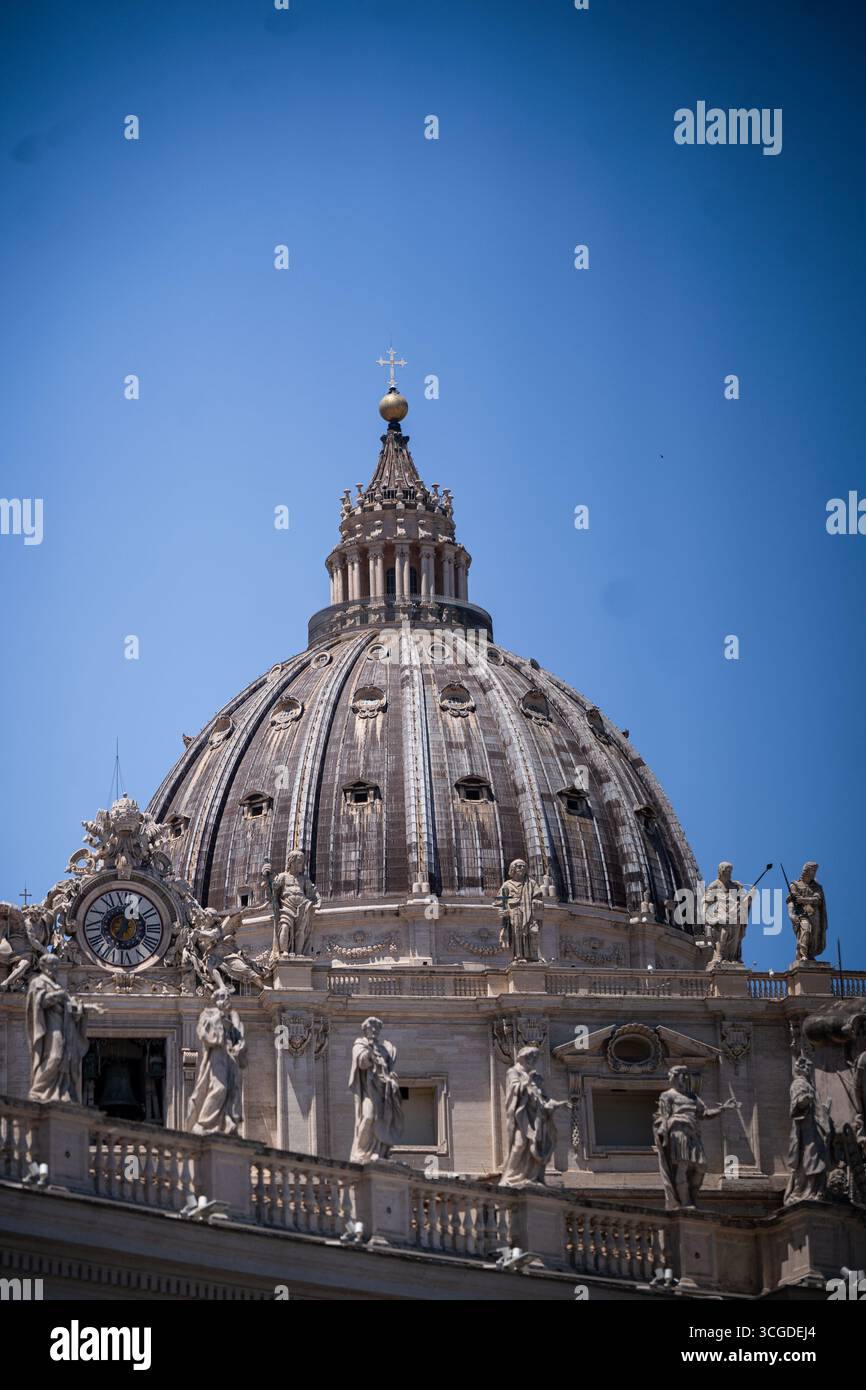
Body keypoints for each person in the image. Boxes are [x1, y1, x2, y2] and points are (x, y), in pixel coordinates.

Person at [653, 1065, 738, 1209]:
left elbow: (704, 1114)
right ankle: (686, 1202)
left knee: (701, 1166)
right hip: (678, 1133)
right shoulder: (667, 1095)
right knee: (682, 1167)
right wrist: (663, 1134)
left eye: (681, 1075)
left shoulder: (692, 1096)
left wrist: (723, 1108)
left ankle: (692, 1196)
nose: (675, 1078)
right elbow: (664, 1116)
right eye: (675, 1075)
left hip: (693, 1134)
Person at [499, 1046, 569, 1187]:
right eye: (531, 1057)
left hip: (537, 1119)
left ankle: (532, 1177)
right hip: (522, 1117)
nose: (533, 1060)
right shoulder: (513, 1072)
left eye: (535, 1058)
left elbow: (544, 1098)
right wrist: (526, 1082)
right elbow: (513, 1089)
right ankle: (509, 1176)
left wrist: (558, 1104)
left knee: (536, 1147)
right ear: (523, 1057)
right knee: (519, 1144)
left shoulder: (536, 1077)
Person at [26, 955, 89, 1103]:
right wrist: (58, 995)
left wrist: (84, 1008)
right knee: (55, 1057)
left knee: (66, 1057)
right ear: (42, 967)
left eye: (56, 965)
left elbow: (69, 1006)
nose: (54, 968)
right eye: (51, 965)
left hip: (63, 1027)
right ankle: (38, 1090)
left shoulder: (58, 985)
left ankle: (62, 1090)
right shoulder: (38, 982)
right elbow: (39, 1002)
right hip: (50, 1028)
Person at [348, 1016, 403, 1162]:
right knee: (368, 1116)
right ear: (365, 1030)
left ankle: (379, 1151)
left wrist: (391, 1075)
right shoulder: (360, 1045)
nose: (374, 1031)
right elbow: (361, 1062)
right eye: (371, 1028)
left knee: (382, 1119)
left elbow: (389, 1068)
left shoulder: (384, 1049)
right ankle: (361, 1152)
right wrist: (370, 1054)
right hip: (368, 1091)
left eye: (377, 1029)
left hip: (383, 1092)